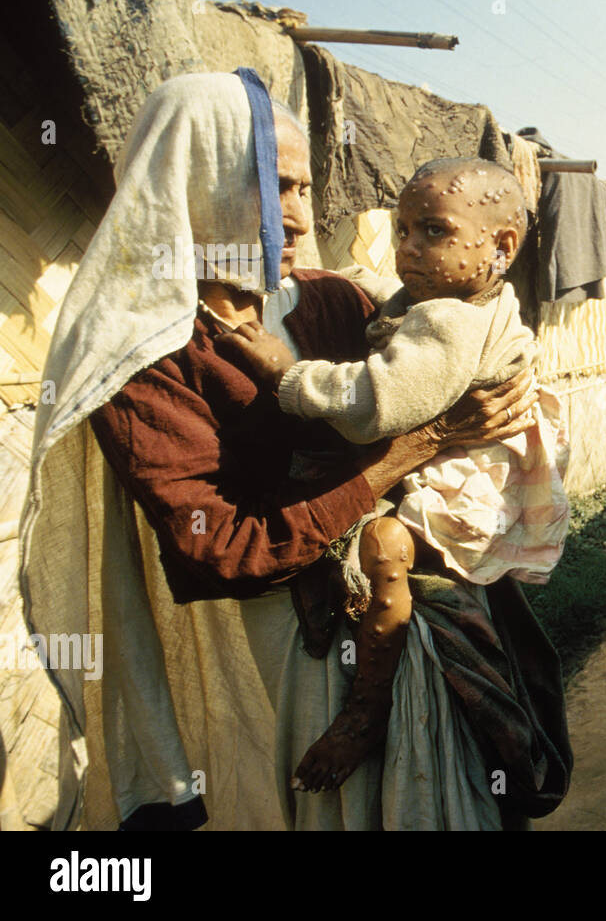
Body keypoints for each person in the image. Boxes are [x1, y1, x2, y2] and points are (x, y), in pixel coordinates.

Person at [21, 70, 570, 831]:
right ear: (199, 184)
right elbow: (222, 549)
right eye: (276, 187)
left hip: (431, 610)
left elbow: (458, 346)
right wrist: (414, 450)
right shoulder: (150, 361)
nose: (301, 218)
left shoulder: (331, 300)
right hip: (303, 659)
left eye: (306, 189)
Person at [220, 157, 570, 792]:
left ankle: (365, 708)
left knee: (384, 546)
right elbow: (400, 308)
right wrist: (357, 278)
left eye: (432, 232)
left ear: (502, 245)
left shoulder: (449, 321)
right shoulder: (465, 297)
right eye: (402, 229)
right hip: (480, 482)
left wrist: (285, 375)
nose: (408, 249)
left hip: (457, 498)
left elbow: (371, 406)